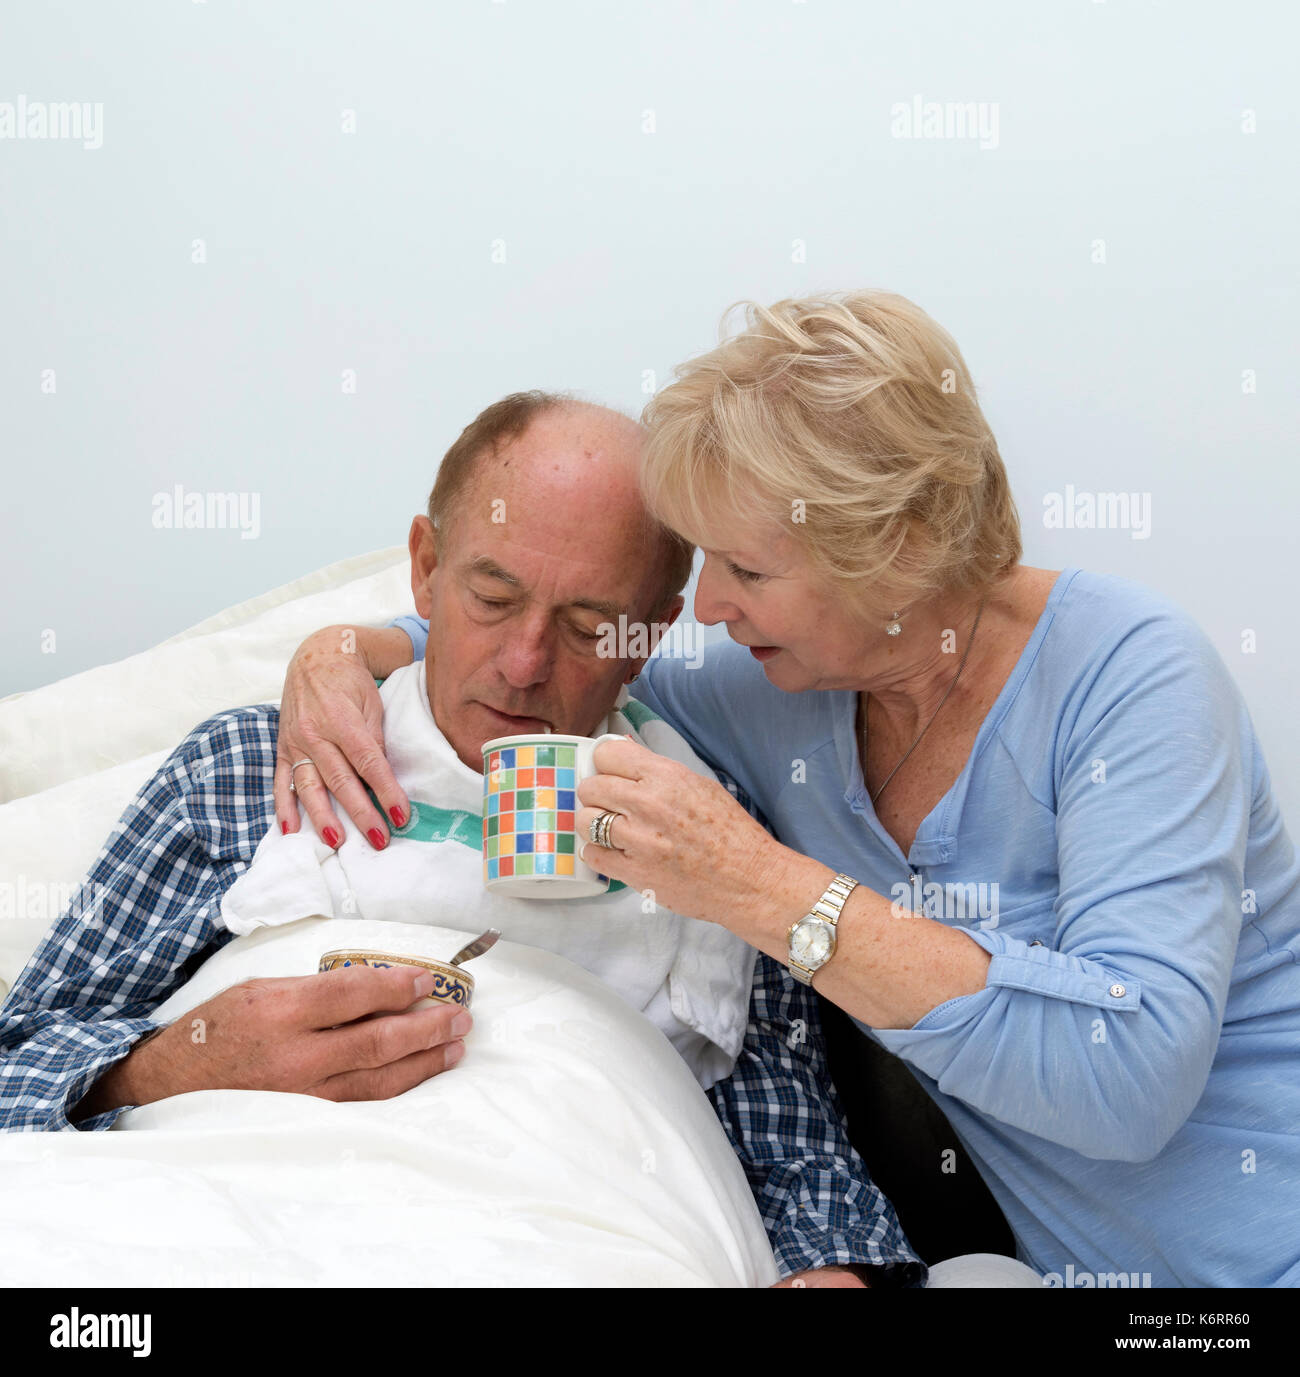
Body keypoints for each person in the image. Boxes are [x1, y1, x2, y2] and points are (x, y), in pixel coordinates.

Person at [278, 291, 1300, 1288]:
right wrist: (335, 653)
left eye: (745, 570)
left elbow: (1126, 1081)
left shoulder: (1133, 676)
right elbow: (545, 656)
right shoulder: (780, 686)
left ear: (891, 555)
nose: (709, 606)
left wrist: (754, 885)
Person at [0, 393, 931, 1289]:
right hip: (214, 1213)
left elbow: (794, 1152)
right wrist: (175, 1059)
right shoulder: (248, 770)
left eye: (587, 627)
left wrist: (830, 1270)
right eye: (491, 597)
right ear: (424, 566)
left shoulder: (707, 830)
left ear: (646, 638)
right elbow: (17, 1067)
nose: (525, 665)